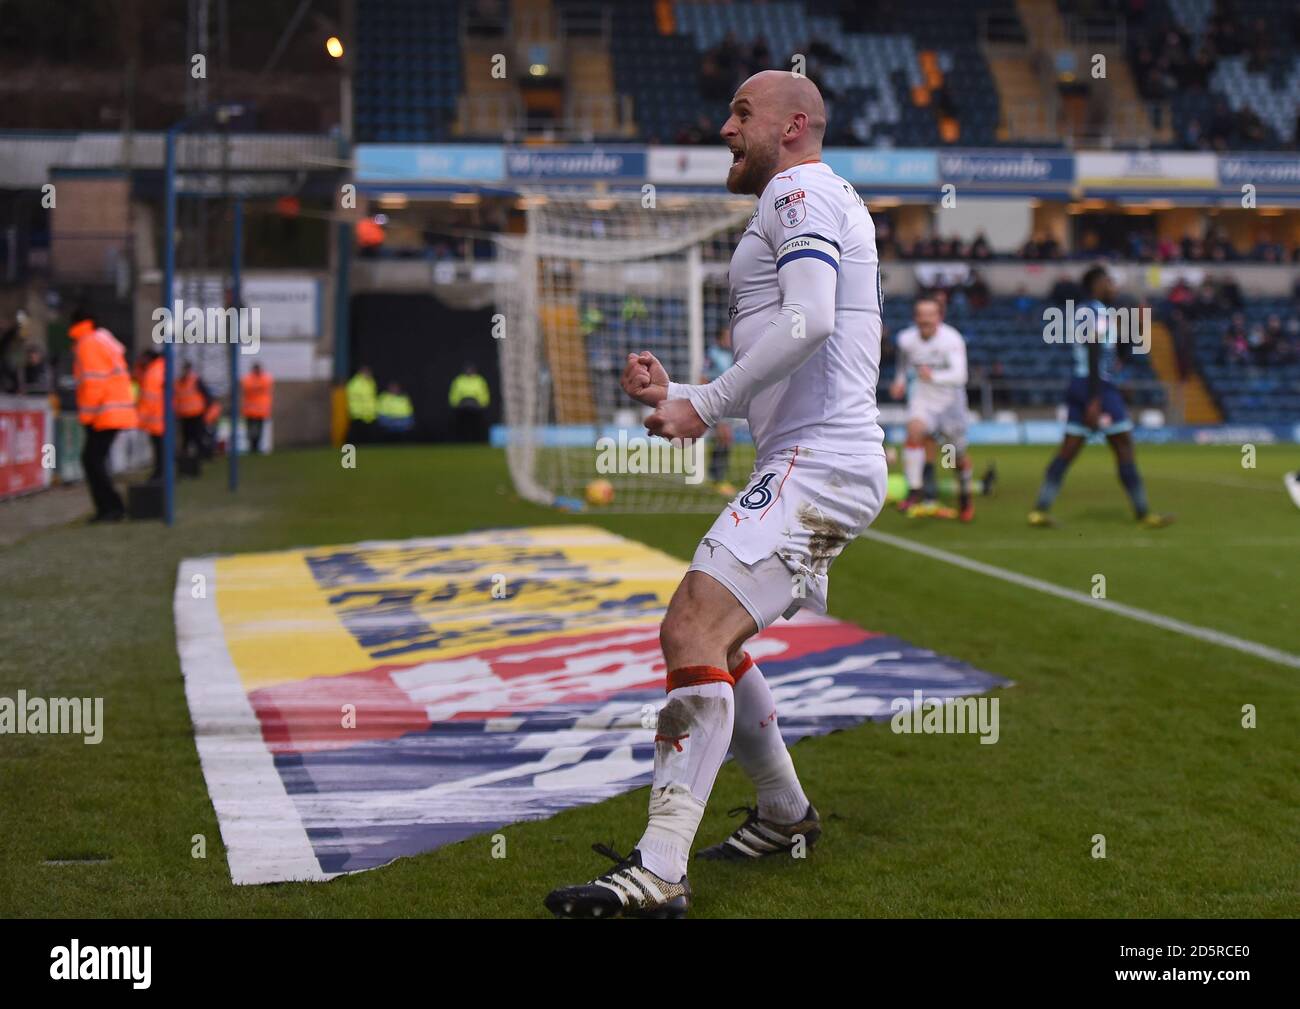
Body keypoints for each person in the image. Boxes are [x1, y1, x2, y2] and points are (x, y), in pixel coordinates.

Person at [545, 70, 888, 918]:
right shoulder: (800, 200)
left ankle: (660, 869)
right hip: (819, 461)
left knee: (689, 624)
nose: (725, 128)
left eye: (743, 113)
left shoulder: (798, 190)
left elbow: (811, 322)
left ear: (795, 125)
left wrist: (706, 403)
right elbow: (794, 349)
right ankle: (784, 815)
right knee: (717, 636)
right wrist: (685, 391)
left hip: (825, 464)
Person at [1029, 266, 1173, 528]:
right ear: (1097, 284)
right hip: (1094, 386)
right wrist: (1095, 399)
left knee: (1069, 450)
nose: (1114, 286)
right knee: (1124, 446)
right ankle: (1143, 513)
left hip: (1092, 384)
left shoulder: (1101, 312)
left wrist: (1138, 326)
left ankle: (1039, 510)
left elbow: (1116, 352)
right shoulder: (1089, 310)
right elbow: (1094, 349)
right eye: (1109, 282)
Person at [890, 295, 975, 521]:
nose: (925, 319)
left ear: (939, 317)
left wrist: (933, 375)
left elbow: (961, 375)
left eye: (930, 315)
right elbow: (904, 365)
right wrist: (899, 382)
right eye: (921, 315)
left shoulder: (952, 339)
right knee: (915, 430)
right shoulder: (907, 339)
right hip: (923, 399)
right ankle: (915, 490)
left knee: (956, 458)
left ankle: (965, 497)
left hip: (950, 404)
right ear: (915, 317)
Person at [69, 308, 137, 521]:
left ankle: (110, 508)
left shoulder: (87, 343)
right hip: (114, 411)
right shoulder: (104, 341)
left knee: (92, 460)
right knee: (95, 460)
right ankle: (111, 508)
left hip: (104, 414)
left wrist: (88, 418)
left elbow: (93, 383)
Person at [136, 350, 166, 480]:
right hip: (162, 419)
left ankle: (159, 475)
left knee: (159, 451)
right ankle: (161, 473)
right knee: (161, 451)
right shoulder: (161, 368)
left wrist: (140, 420)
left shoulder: (153, 373)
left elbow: (149, 399)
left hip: (156, 421)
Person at [174, 362, 209, 462]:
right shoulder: (178, 382)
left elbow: (205, 395)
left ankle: (201, 456)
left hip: (196, 414)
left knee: (197, 437)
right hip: (184, 415)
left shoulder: (195, 380)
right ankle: (186, 459)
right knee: (186, 439)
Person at [448, 362, 489, 442]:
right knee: (462, 426)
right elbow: (454, 393)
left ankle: (477, 441)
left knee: (476, 425)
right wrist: (455, 404)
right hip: (462, 407)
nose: (469, 371)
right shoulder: (459, 380)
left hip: (476, 407)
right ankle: (462, 441)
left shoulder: (479, 380)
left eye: (471, 370)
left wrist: (483, 404)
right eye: (468, 370)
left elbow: (484, 393)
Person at [240, 362, 273, 454]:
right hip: (249, 410)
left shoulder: (265, 378)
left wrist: (255, 387)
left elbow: (265, 385)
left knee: (259, 431)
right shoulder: (247, 379)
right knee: (250, 430)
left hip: (261, 410)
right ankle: (252, 447)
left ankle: (256, 447)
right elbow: (247, 387)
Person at [346, 365, 377, 443]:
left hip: (368, 413)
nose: (368, 374)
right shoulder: (355, 383)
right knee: (355, 432)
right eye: (366, 372)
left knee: (366, 434)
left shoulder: (371, 382)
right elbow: (354, 397)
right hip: (358, 412)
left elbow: (371, 397)